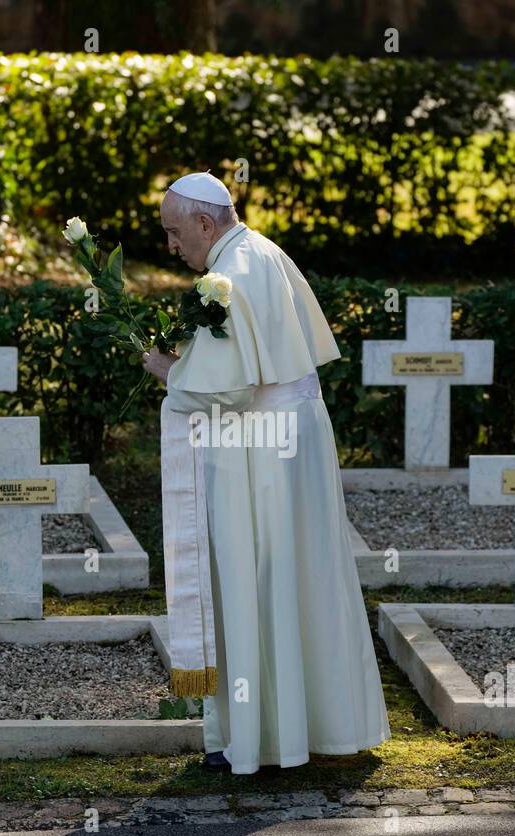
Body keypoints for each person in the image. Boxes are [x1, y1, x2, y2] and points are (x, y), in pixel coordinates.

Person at [142, 171, 390, 774]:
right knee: (297, 575)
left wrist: (165, 368)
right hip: (287, 439)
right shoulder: (260, 250)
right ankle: (308, 730)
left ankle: (260, 742)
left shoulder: (234, 271)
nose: (173, 247)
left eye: (176, 233)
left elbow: (226, 387)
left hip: (259, 446)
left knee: (257, 577)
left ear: (205, 223)